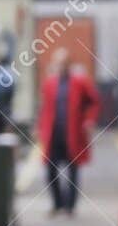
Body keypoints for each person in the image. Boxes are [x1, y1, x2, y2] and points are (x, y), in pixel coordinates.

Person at [36, 49, 99, 216]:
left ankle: (70, 206)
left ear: (69, 64)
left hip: (73, 134)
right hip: (54, 134)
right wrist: (40, 129)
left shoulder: (80, 82)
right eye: (58, 63)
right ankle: (57, 203)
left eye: (64, 63)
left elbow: (93, 102)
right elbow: (44, 109)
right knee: (51, 171)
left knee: (73, 171)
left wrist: (89, 120)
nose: (61, 66)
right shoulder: (49, 84)